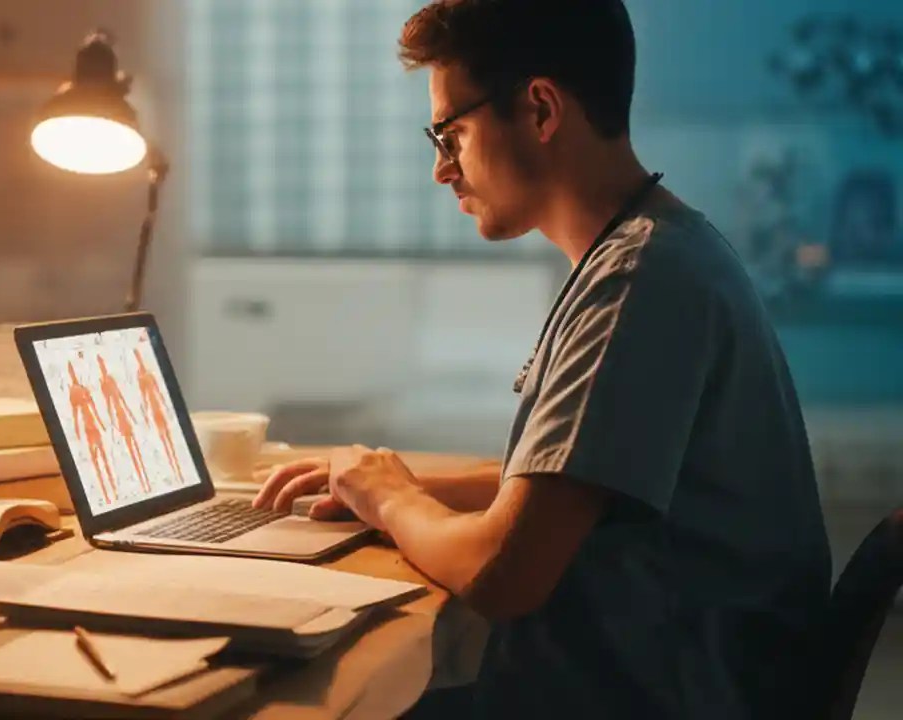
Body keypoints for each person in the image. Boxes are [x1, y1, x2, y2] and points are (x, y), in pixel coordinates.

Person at [252, 1, 832, 717]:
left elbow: (504, 574)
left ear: (540, 109)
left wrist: (392, 500)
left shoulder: (641, 280)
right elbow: (560, 485)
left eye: (451, 133)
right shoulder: (653, 252)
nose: (442, 170)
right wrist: (386, 478)